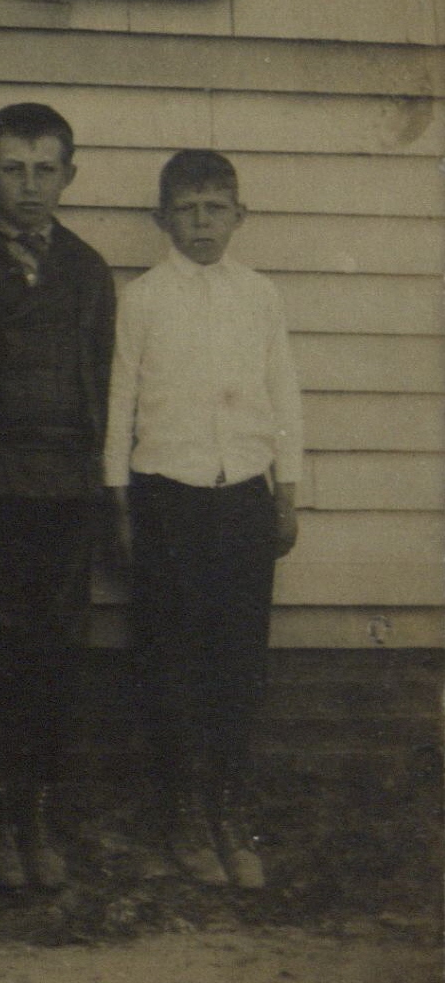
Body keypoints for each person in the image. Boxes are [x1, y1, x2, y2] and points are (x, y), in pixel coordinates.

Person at [0, 104, 115, 893]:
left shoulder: (86, 267)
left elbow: (104, 384)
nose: (30, 185)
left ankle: (38, 809)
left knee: (52, 654)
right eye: (14, 168)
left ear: (69, 175)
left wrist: (106, 488)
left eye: (46, 169)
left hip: (64, 489)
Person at [105, 150, 302, 892]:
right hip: (168, 498)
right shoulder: (145, 298)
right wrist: (117, 498)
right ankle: (184, 809)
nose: (201, 223)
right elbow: (122, 399)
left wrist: (288, 490)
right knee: (174, 655)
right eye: (186, 210)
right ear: (162, 219)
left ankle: (229, 805)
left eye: (215, 208)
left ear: (239, 216)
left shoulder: (259, 296)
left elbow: (283, 394)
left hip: (243, 498)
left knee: (239, 658)